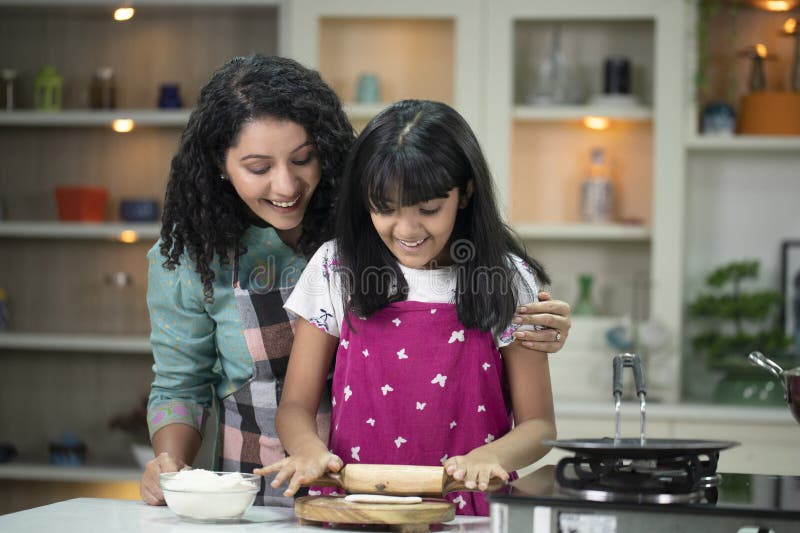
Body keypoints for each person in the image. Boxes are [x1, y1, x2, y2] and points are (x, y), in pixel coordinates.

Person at [141, 55, 571, 507]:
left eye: (303, 159)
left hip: (421, 499)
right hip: (271, 486)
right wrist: (170, 461)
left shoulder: (368, 223)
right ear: (219, 164)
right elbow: (181, 384)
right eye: (259, 167)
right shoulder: (208, 257)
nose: (286, 186)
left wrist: (542, 325)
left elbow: (534, 414)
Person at [256, 99, 556, 516]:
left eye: (429, 210)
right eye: (385, 208)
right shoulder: (335, 267)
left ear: (465, 192)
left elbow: (539, 426)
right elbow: (294, 406)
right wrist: (308, 450)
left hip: (467, 514)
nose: (407, 230)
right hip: (355, 507)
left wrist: (492, 457)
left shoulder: (506, 279)